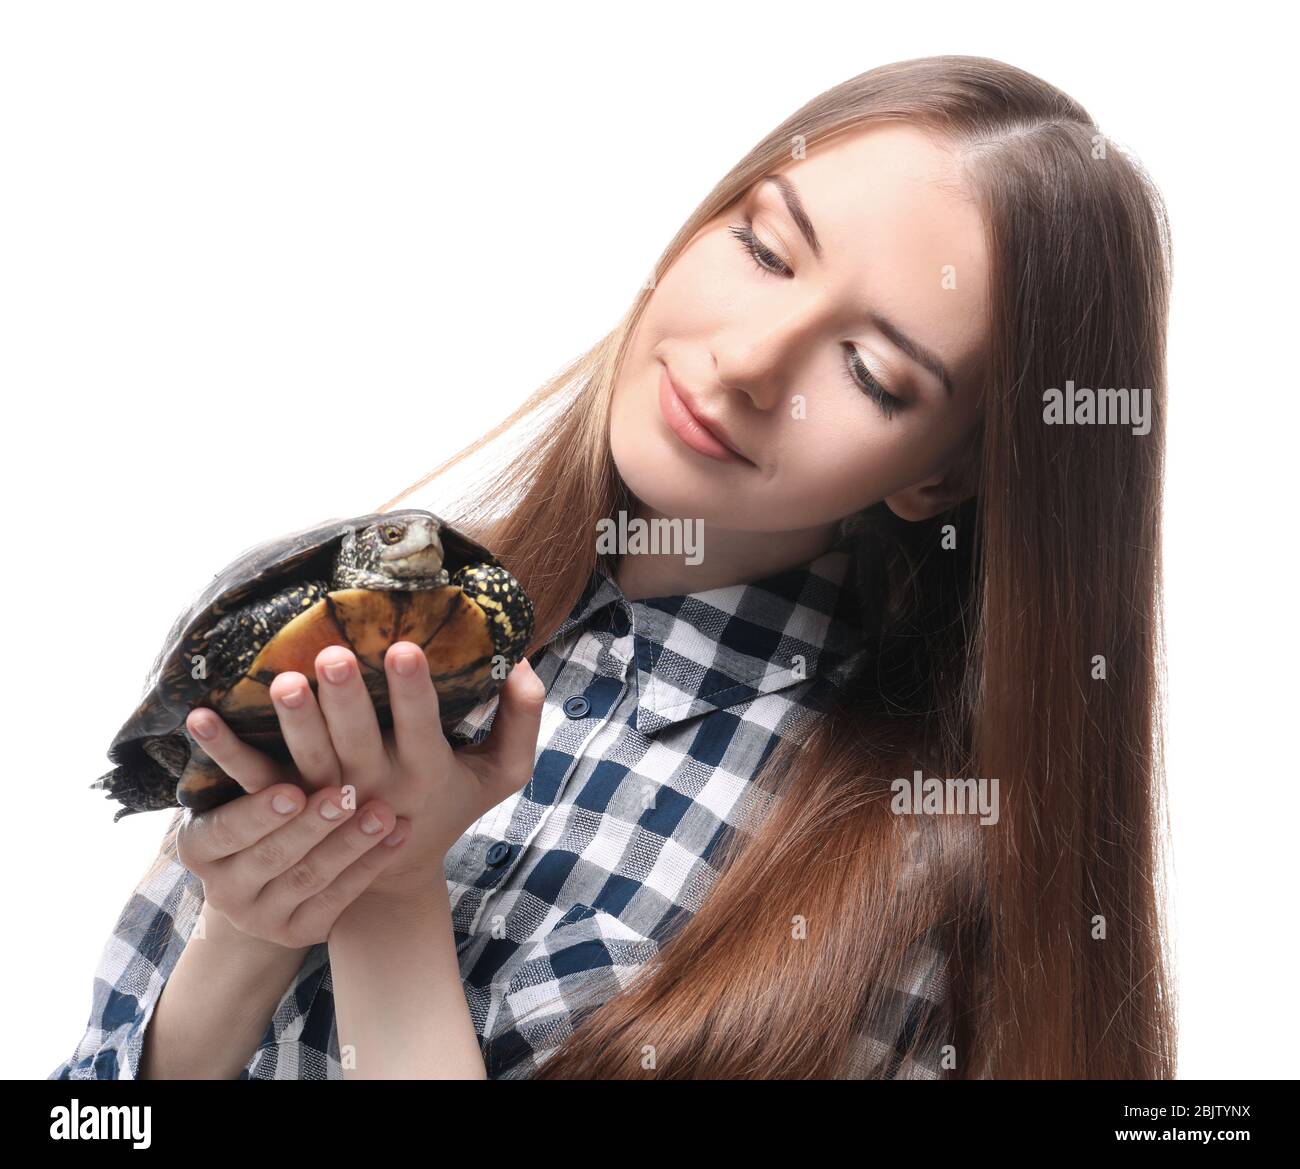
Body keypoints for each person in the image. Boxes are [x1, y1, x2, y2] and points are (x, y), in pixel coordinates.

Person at [50, 53, 1175, 1080]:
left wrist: (387, 893)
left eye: (872, 371)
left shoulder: (913, 872)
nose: (746, 358)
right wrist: (245, 936)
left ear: (941, 476)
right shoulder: (335, 620)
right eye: (764, 247)